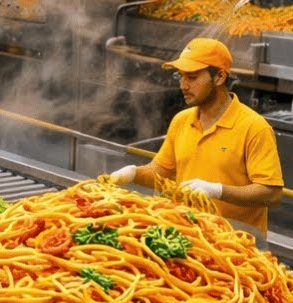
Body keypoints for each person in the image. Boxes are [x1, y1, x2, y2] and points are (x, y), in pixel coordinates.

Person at [110, 38, 283, 235]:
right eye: (180, 76)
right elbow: (160, 171)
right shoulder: (182, 120)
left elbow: (271, 193)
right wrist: (133, 173)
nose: (183, 85)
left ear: (219, 77)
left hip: (236, 244)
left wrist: (218, 191)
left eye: (191, 77)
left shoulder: (254, 127)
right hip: (190, 236)